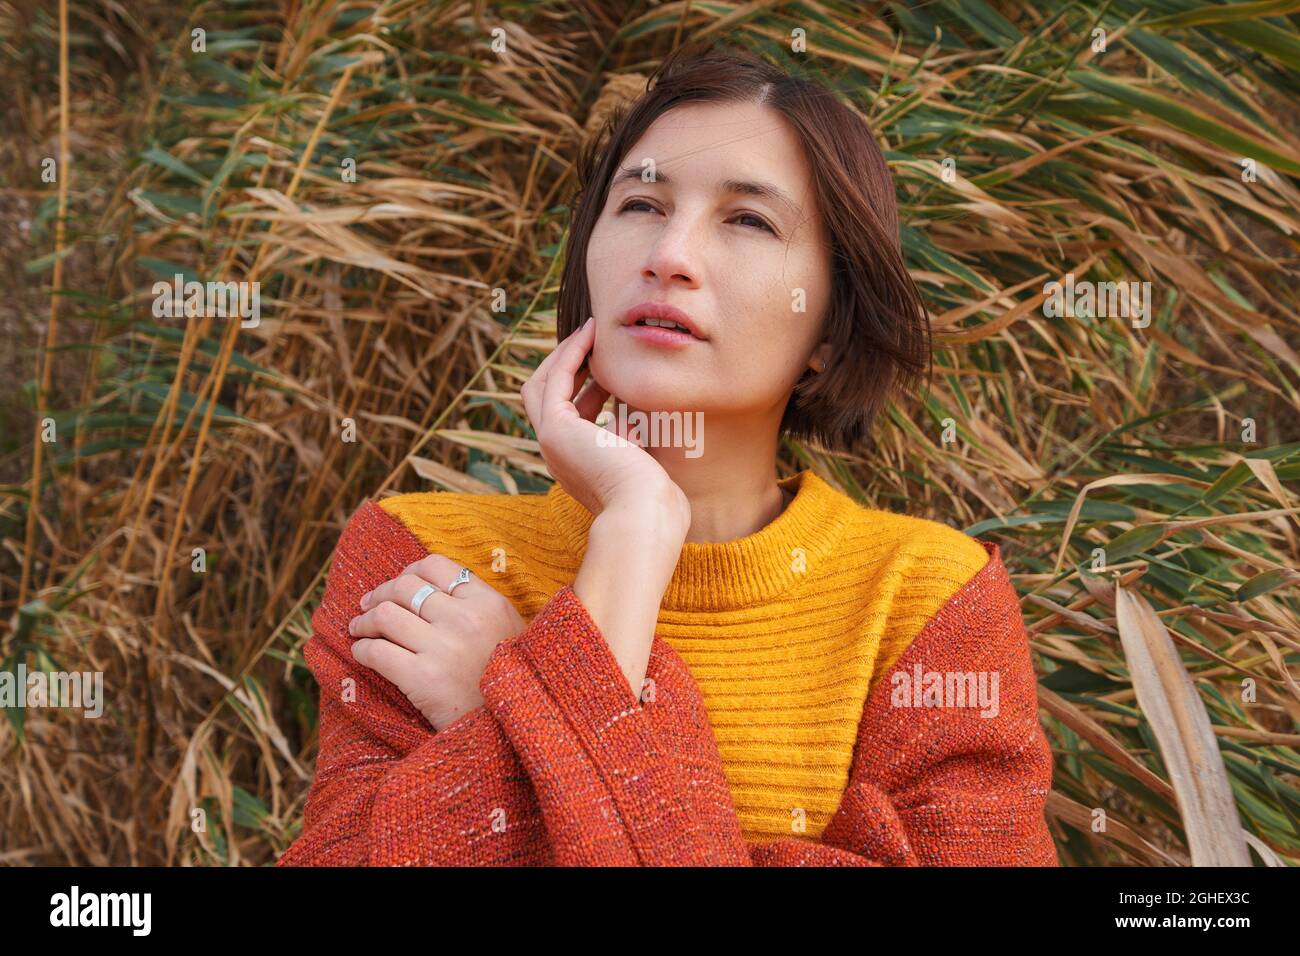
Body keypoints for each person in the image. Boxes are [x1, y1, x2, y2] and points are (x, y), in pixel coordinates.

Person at [277, 42, 1058, 866]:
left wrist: (510, 709)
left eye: (748, 220)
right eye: (641, 203)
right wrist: (630, 546)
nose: (670, 255)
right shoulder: (424, 563)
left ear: (828, 332)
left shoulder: (927, 603)